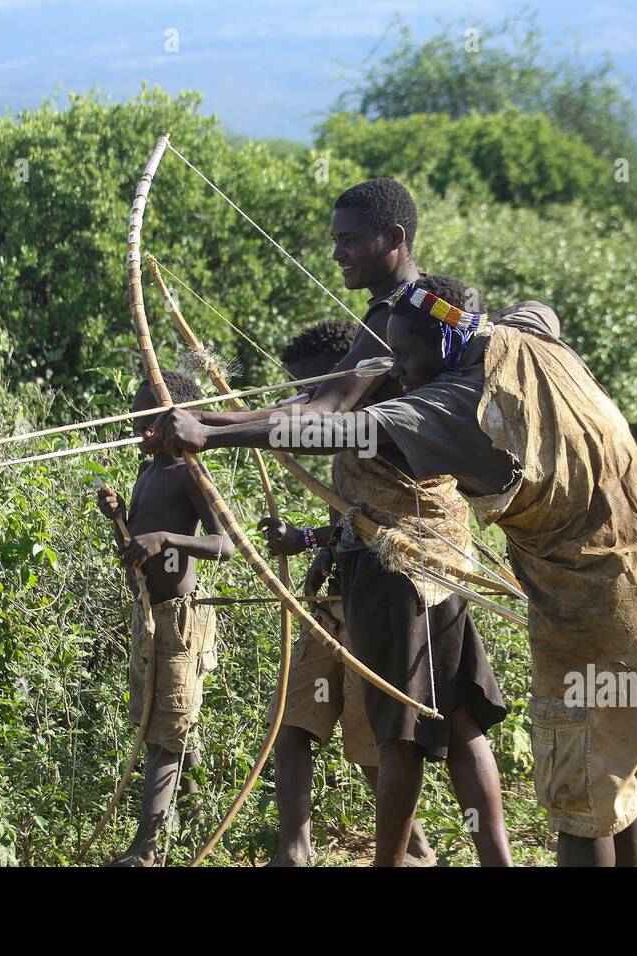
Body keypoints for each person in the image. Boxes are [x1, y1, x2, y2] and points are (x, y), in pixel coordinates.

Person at [141, 280, 637, 867]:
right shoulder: (524, 336)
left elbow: (336, 428)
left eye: (409, 357)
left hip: (599, 612)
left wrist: (210, 432)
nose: (403, 372)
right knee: (622, 786)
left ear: (444, 338)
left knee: (580, 803)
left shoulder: (454, 405)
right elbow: (542, 309)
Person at [264, 319, 435, 867]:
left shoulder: (392, 424)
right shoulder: (344, 435)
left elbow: (387, 525)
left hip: (375, 606)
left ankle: (414, 853)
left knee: (372, 745)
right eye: (303, 391)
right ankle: (294, 852)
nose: (309, 400)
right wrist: (313, 541)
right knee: (293, 722)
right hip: (333, 600)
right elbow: (349, 520)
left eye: (317, 388)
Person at [97, 370, 234, 866]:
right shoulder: (148, 470)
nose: (139, 426)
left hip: (179, 620)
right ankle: (198, 812)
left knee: (166, 732)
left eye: (148, 417)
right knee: (161, 720)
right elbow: (134, 551)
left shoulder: (188, 472)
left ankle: (145, 850)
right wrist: (118, 520)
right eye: (136, 415)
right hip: (148, 615)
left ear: (177, 419)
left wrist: (168, 540)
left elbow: (226, 545)